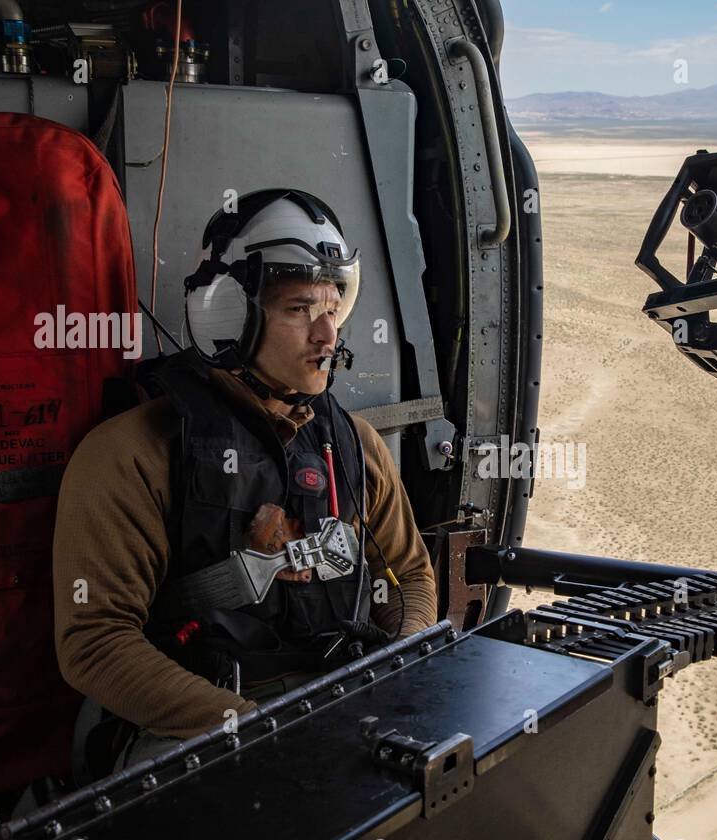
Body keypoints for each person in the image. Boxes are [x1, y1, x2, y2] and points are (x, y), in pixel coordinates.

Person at [52, 189, 436, 770]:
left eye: (335, 307)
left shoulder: (355, 444)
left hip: (344, 701)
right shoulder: (133, 454)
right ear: (225, 312)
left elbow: (408, 573)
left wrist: (399, 662)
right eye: (300, 309)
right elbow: (97, 643)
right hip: (196, 730)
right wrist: (252, 729)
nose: (328, 335)